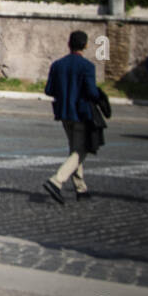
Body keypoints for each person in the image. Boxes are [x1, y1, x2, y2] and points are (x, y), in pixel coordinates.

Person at [42, 30, 104, 203]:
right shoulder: (88, 67)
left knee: (74, 149)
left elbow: (48, 90)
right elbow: (92, 92)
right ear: (85, 46)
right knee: (81, 150)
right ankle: (56, 181)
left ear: (69, 44)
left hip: (63, 113)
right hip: (81, 114)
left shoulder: (57, 65)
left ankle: (81, 188)